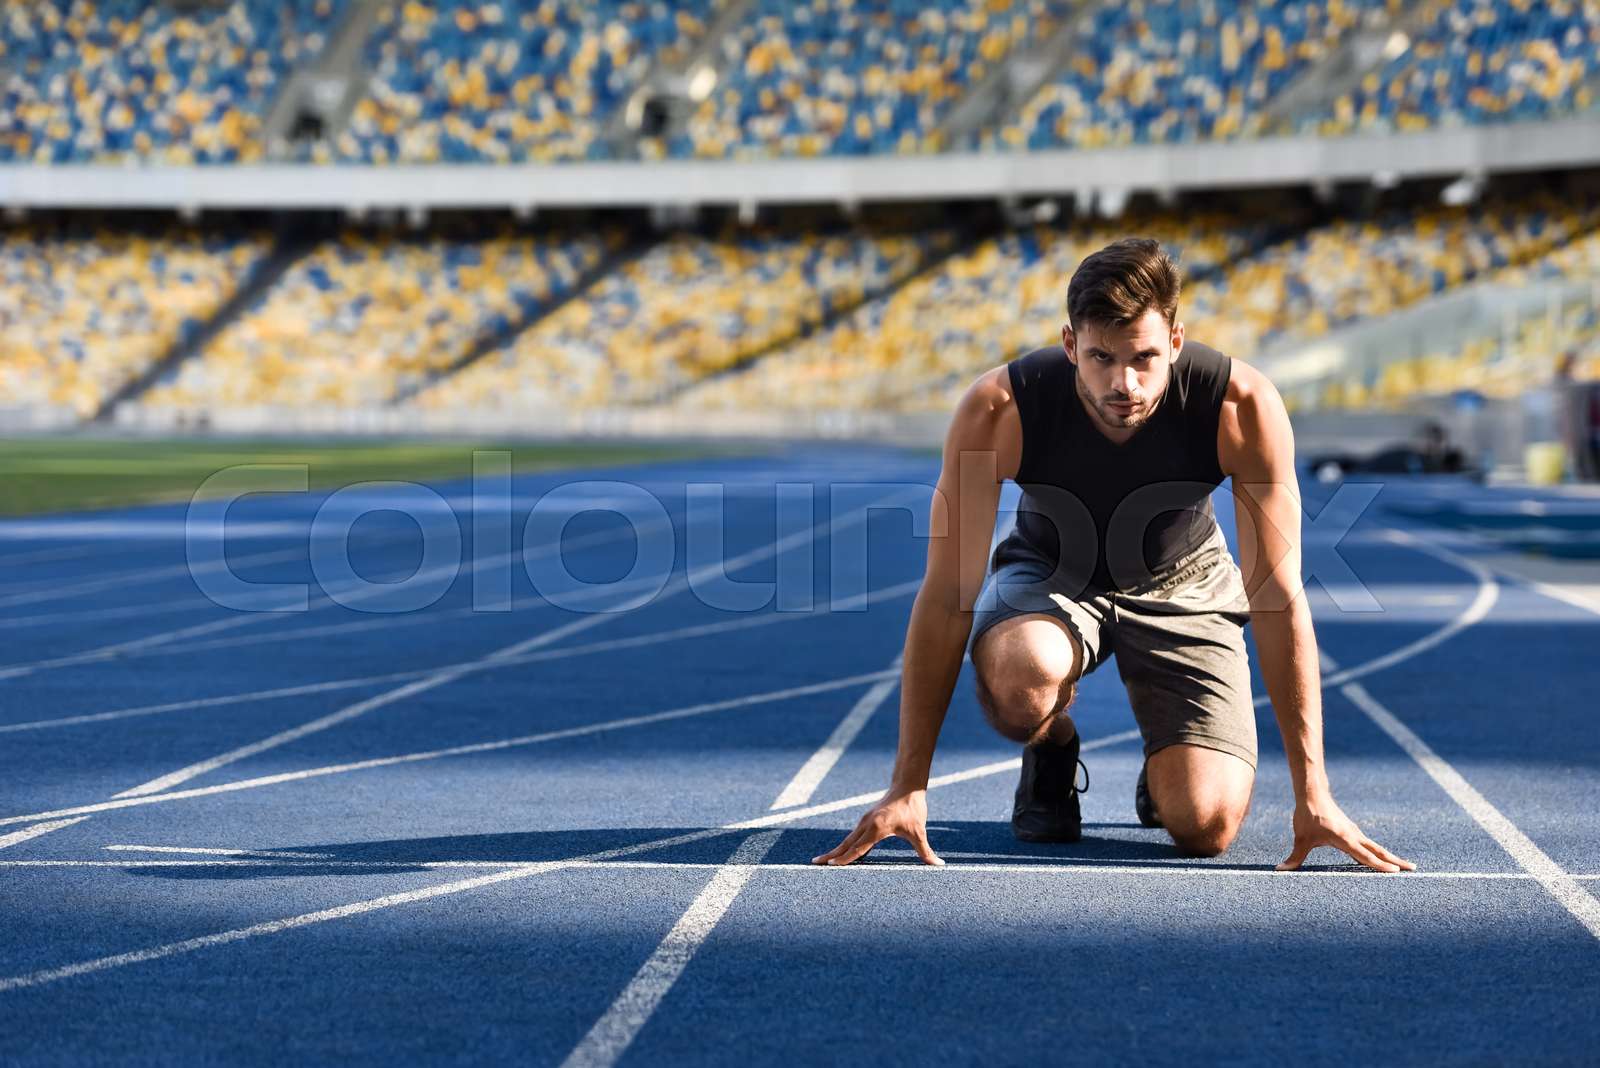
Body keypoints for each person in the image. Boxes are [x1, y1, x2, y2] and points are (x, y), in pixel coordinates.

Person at [812, 237, 1414, 872]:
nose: (1124, 383)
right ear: (1070, 344)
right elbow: (945, 595)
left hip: (1185, 576)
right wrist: (908, 785)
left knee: (1204, 825)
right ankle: (1053, 746)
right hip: (1051, 567)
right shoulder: (1001, 410)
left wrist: (1314, 795)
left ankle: (1168, 764)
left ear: (1175, 342)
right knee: (1020, 678)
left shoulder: (1240, 407)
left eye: (1144, 358)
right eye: (1101, 357)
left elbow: (1278, 594)